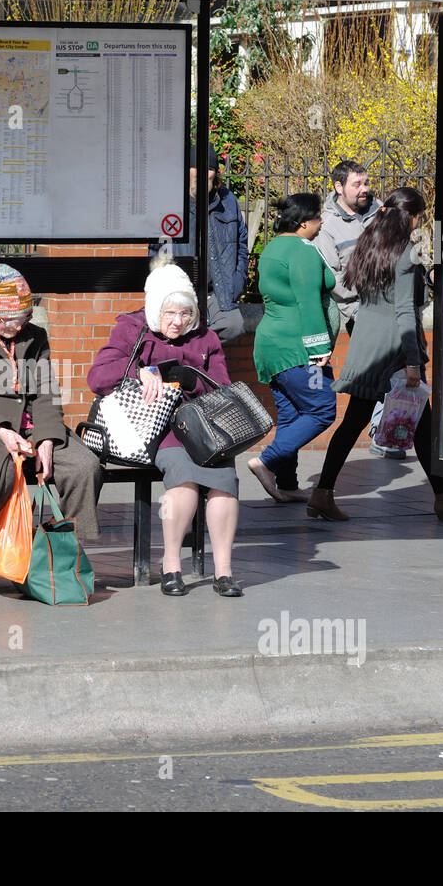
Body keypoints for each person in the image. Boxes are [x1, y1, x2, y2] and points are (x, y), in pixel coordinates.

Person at [0, 264, 102, 595]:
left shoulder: (35, 336)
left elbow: (45, 392)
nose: (24, 324)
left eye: (27, 316)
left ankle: (62, 554)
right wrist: (1, 430)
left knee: (85, 466)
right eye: (17, 319)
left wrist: (46, 439)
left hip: (33, 425)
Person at [88, 259, 243, 597]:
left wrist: (192, 381)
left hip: (204, 428)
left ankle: (224, 571)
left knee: (224, 482)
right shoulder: (133, 329)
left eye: (186, 314)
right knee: (184, 480)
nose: (178, 322)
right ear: (156, 308)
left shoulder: (206, 338)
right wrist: (138, 373)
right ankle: (171, 564)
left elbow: (223, 388)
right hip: (158, 429)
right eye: (170, 314)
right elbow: (97, 377)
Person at [307, 188, 443, 521]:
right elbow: (405, 310)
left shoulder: (369, 243)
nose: (420, 222)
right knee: (420, 418)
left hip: (366, 340)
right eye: (419, 216)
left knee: (357, 421)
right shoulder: (405, 252)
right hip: (395, 346)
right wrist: (414, 361)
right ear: (410, 216)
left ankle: (323, 492)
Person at [246, 193, 339, 503]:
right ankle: (266, 461)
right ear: (303, 223)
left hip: (272, 347)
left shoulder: (272, 248)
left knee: (290, 415)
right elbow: (308, 302)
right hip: (299, 351)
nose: (322, 221)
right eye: (317, 217)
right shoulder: (302, 252)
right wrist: (320, 347)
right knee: (322, 408)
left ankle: (286, 484)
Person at [316, 159, 404, 459]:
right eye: (357, 184)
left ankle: (390, 435)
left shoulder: (381, 213)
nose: (365, 189)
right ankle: (328, 483)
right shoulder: (327, 227)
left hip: (393, 312)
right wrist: (373, 289)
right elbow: (335, 279)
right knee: (368, 396)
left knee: (405, 384)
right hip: (362, 316)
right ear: (339, 187)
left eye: (367, 182)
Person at [152, 144, 253, 345]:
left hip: (218, 292)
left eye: (209, 168)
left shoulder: (228, 201)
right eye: (195, 167)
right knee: (184, 330)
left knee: (234, 325)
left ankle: (196, 351)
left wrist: (237, 280)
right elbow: (156, 251)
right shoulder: (170, 203)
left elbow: (242, 244)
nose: (202, 174)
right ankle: (198, 358)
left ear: (215, 174)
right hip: (180, 292)